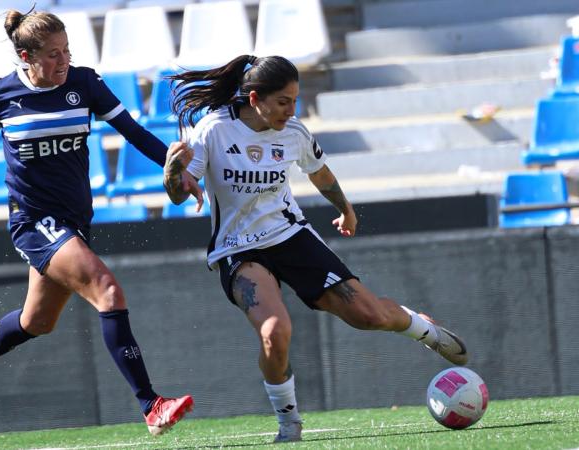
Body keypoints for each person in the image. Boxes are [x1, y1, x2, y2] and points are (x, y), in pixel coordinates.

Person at [162, 55, 469, 443]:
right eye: (283, 102)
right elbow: (177, 195)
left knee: (368, 316)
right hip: (238, 250)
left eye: (295, 100)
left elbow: (319, 172)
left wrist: (346, 209)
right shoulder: (212, 131)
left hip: (290, 236)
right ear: (255, 98)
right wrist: (173, 174)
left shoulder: (294, 132)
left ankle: (423, 328)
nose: (292, 111)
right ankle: (289, 423)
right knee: (275, 332)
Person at [0, 9, 201, 436]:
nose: (64, 61)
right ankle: (151, 405)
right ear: (25, 56)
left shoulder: (83, 83)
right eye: (52, 54)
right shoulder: (2, 93)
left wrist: (179, 172)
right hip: (32, 221)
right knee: (108, 290)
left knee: (37, 322)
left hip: (73, 221)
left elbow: (132, 130)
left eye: (67, 51)